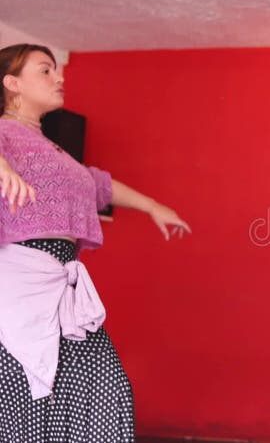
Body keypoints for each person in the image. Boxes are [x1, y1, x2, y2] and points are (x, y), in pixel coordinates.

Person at [0, 43, 191, 442]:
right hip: (20, 281)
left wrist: (153, 205)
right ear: (12, 83)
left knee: (103, 385)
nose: (59, 78)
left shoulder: (54, 150)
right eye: (46, 71)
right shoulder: (4, 132)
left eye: (57, 70)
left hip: (61, 282)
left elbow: (97, 183)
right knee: (22, 391)